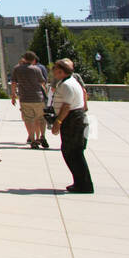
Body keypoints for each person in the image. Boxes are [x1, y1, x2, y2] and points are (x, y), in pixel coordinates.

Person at [50, 59, 93, 194]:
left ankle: (83, 184)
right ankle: (80, 182)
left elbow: (67, 105)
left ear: (61, 71)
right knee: (72, 152)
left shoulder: (67, 84)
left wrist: (58, 122)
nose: (53, 73)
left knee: (73, 152)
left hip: (73, 120)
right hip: (75, 118)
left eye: (55, 70)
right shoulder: (70, 82)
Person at [10, 51, 50, 149]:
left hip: (24, 98)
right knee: (41, 118)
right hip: (38, 97)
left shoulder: (17, 69)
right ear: (33, 60)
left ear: (24, 58)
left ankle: (32, 140)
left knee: (29, 119)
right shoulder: (36, 69)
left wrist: (13, 95)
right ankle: (42, 136)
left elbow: (14, 82)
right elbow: (42, 82)